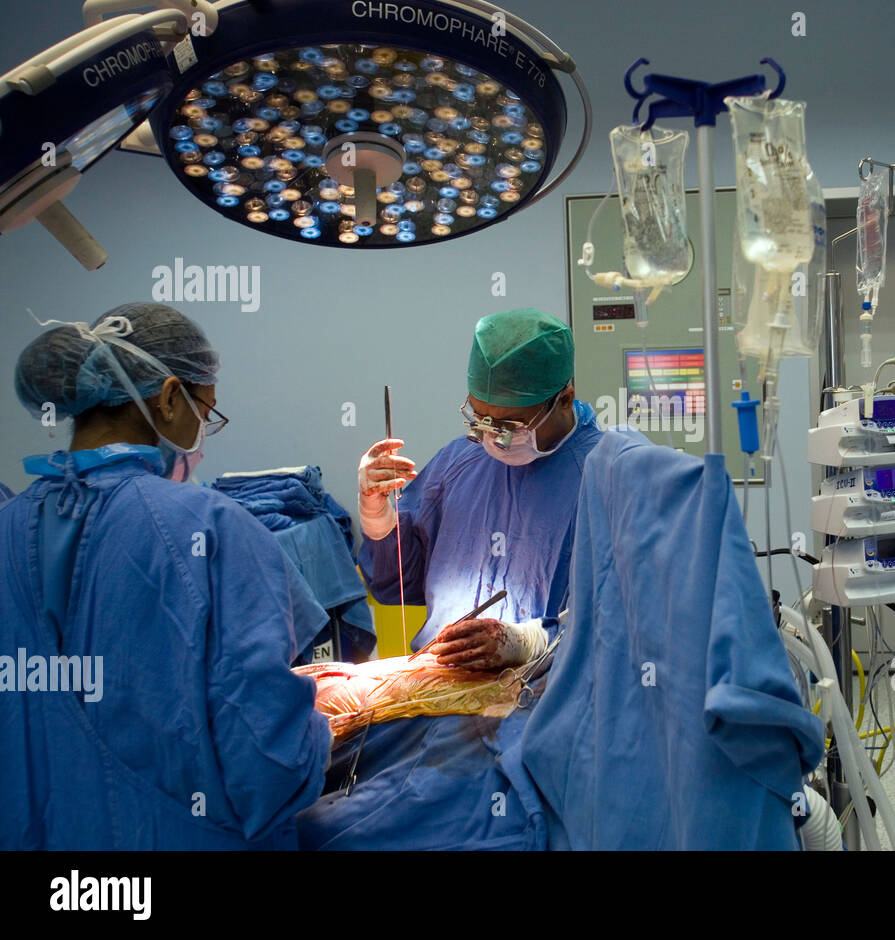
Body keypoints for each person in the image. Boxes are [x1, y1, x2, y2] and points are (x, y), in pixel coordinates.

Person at [0, 302, 331, 849]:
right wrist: (322, 732)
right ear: (172, 397)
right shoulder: (213, 529)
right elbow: (268, 764)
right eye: (208, 411)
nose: (204, 430)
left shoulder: (8, 526)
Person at [357, 307, 604, 664]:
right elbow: (397, 583)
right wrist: (377, 515)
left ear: (564, 397)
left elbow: (627, 617)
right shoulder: (459, 462)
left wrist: (530, 642)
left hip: (545, 696)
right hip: (442, 684)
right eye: (479, 419)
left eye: (508, 425)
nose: (491, 438)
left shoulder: (604, 476)